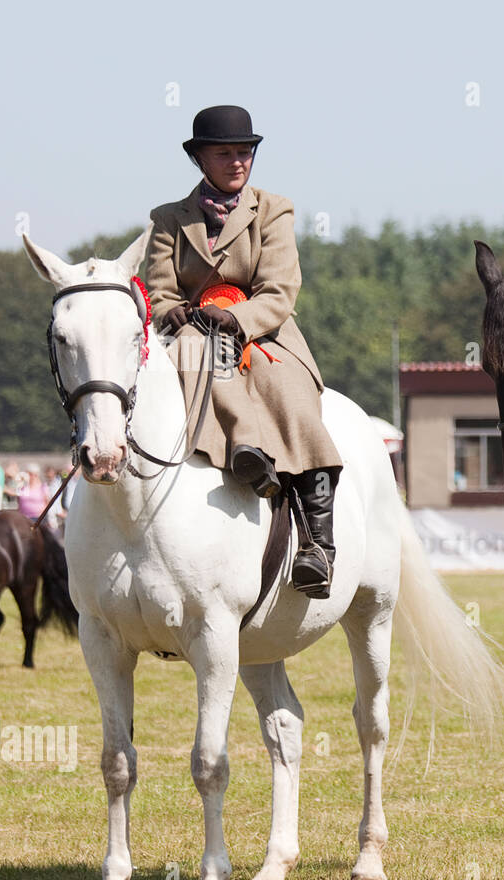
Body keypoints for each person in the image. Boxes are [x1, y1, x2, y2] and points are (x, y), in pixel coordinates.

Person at [146, 105, 343, 598]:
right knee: (194, 362)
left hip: (263, 333)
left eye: (245, 152)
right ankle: (245, 453)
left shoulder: (274, 210)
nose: (238, 162)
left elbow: (279, 290)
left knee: (292, 395)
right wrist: (171, 311)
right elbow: (160, 290)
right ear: (200, 159)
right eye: (225, 153)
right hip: (194, 331)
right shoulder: (169, 219)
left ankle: (319, 545)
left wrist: (237, 319)